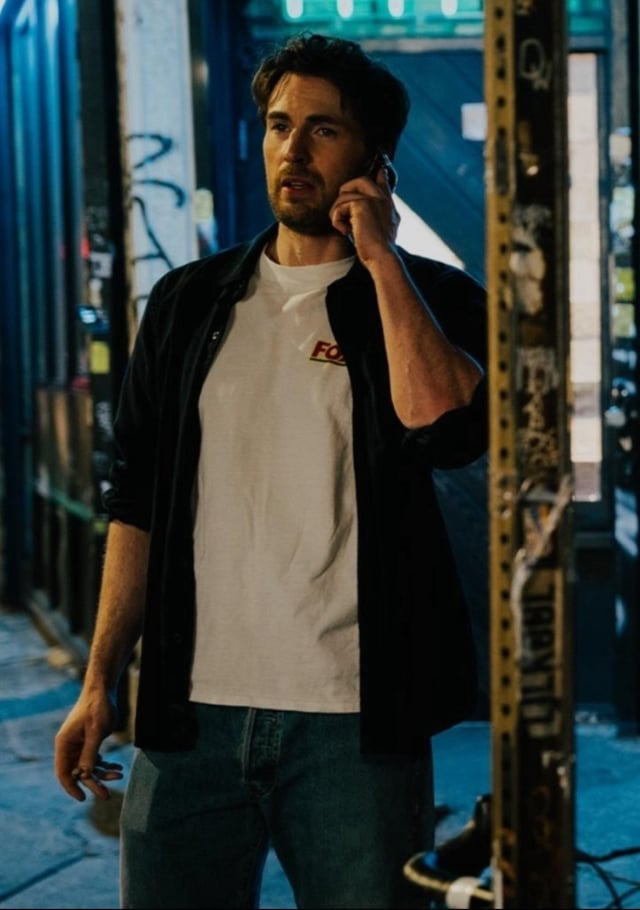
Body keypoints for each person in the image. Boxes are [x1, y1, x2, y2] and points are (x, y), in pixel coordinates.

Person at [54, 32, 488, 910]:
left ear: (376, 161)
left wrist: (381, 258)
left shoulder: (433, 301)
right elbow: (134, 504)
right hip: (188, 722)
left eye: (323, 130)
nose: (293, 150)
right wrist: (100, 680)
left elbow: (444, 424)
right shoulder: (187, 303)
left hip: (354, 728)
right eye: (280, 125)